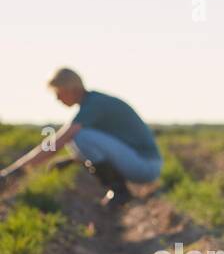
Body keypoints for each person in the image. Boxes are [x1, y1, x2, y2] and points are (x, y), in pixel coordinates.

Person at [0, 69, 162, 208]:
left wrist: (13, 173)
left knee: (79, 136)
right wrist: (73, 159)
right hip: (141, 163)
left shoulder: (94, 105)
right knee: (77, 137)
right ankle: (119, 191)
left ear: (71, 89)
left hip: (145, 166)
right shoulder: (94, 103)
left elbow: (56, 143)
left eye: (58, 93)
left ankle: (120, 192)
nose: (57, 98)